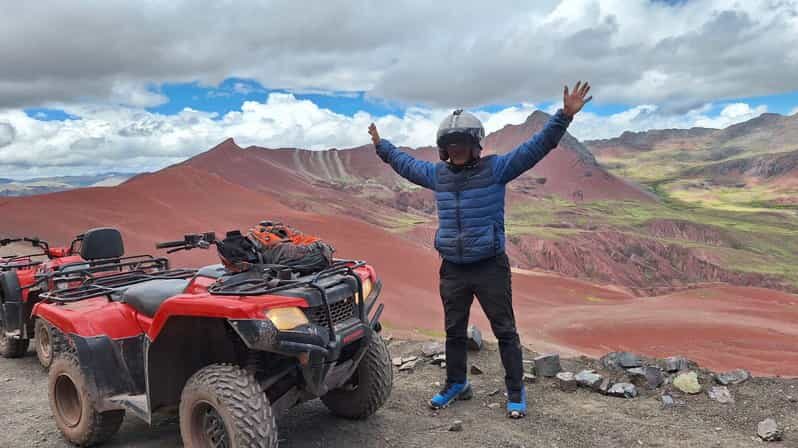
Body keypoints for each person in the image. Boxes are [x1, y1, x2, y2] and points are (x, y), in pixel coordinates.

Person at [368, 82, 592, 419]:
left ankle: (516, 391)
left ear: (475, 147)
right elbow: (405, 164)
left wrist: (564, 116)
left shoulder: (496, 169)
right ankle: (457, 384)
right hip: (453, 268)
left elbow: (537, 147)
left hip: (490, 266)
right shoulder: (438, 174)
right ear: (444, 150)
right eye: (451, 147)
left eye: (463, 146)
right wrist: (382, 147)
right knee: (453, 331)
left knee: (504, 330)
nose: (456, 152)